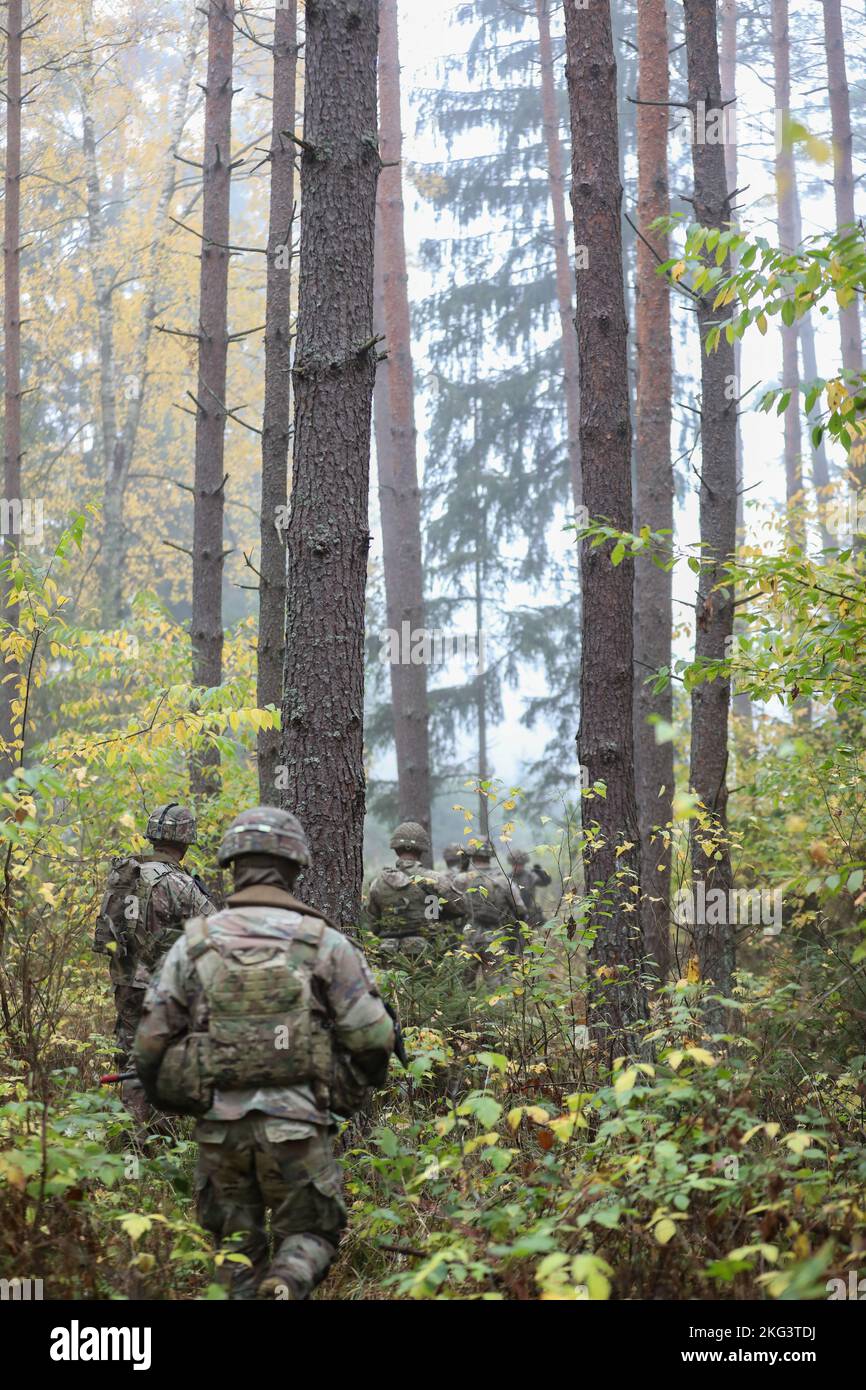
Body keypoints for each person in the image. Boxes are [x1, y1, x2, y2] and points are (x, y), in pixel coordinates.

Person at [133, 807, 395, 1301]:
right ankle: (285, 1285)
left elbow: (149, 1046)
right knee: (312, 1234)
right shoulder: (325, 943)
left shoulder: (194, 945)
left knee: (235, 1250)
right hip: (299, 1125)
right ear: (295, 866)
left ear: (232, 864)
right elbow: (373, 1038)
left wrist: (186, 1096)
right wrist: (349, 1090)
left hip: (219, 1130)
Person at [93, 802, 215, 1124]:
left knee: (132, 1059)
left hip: (126, 982)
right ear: (185, 842)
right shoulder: (181, 884)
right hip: (165, 989)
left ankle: (134, 1137)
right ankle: (164, 1138)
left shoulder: (126, 873)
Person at [368, 822, 467, 960]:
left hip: (388, 955)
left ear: (396, 849)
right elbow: (460, 908)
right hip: (426, 956)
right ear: (422, 850)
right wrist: (437, 913)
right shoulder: (434, 879)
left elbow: (373, 925)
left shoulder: (377, 883)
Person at [453, 838, 527, 983]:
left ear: (471, 853)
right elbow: (521, 909)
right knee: (498, 991)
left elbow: (451, 909)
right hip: (496, 941)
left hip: (466, 941)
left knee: (462, 990)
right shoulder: (504, 880)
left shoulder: (460, 880)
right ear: (491, 855)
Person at [507, 848, 552, 929]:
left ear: (523, 865)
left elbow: (545, 882)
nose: (516, 867)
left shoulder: (530, 876)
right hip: (513, 915)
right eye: (514, 864)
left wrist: (542, 873)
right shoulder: (507, 878)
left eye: (519, 864)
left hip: (529, 915)